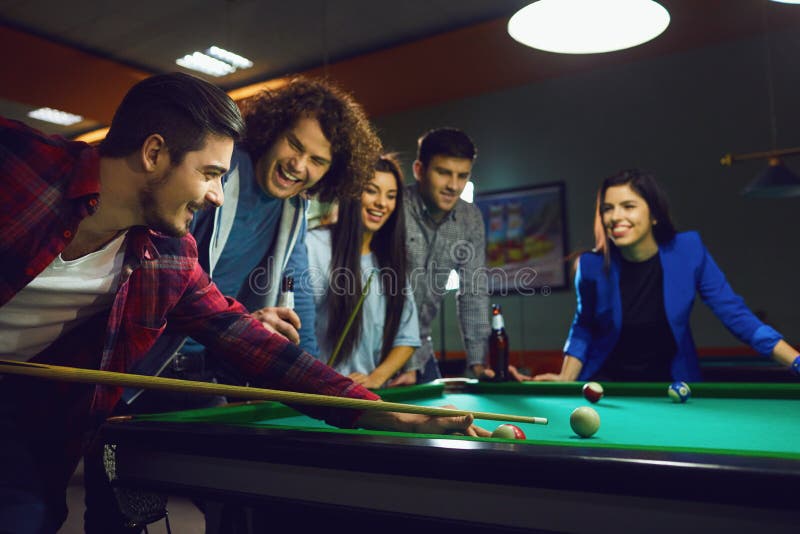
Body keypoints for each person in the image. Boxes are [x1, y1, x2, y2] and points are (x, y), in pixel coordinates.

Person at [0, 73, 487, 534]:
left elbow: (246, 337)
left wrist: (375, 411)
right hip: (108, 386)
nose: (216, 195)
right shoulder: (20, 160)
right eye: (211, 173)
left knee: (33, 514)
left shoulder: (170, 255)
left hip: (37, 403)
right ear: (154, 153)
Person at [82, 77, 386, 532]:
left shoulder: (295, 210)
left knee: (240, 505)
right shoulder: (214, 173)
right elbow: (168, 278)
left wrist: (317, 397)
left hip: (208, 375)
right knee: (120, 513)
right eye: (294, 145)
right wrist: (248, 320)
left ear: (331, 170)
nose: (298, 166)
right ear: (273, 129)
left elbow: (295, 291)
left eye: (317, 160)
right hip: (137, 368)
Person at [534, 169, 800, 382]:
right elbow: (583, 327)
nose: (615, 217)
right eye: (607, 208)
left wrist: (796, 361)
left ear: (654, 215)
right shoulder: (590, 266)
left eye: (628, 206)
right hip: (606, 387)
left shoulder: (689, 250)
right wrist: (565, 379)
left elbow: (736, 315)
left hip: (673, 384)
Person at [307, 155, 420, 388]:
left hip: (366, 398)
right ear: (352, 194)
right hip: (317, 393)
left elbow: (407, 337)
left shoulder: (391, 260)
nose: (382, 203)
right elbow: (298, 328)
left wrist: (376, 378)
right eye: (372, 191)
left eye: (391, 196)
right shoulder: (314, 246)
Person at [390, 128, 492, 386]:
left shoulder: (470, 219)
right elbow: (385, 291)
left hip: (420, 350)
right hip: (374, 349)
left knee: (444, 423)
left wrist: (478, 364)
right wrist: (405, 364)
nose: (453, 186)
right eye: (443, 172)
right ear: (419, 170)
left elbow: (473, 291)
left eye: (462, 176)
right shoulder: (393, 207)